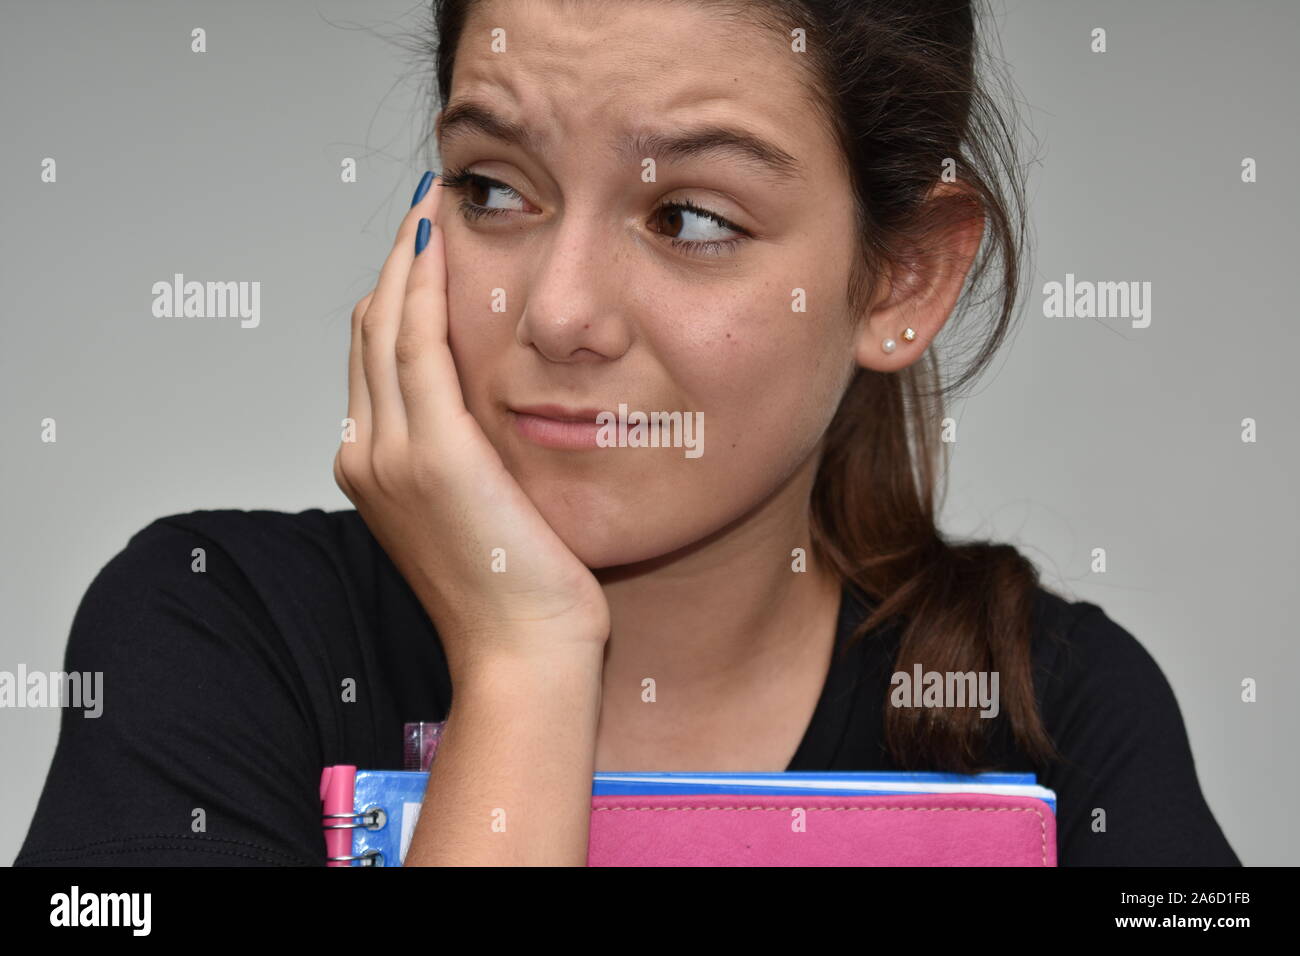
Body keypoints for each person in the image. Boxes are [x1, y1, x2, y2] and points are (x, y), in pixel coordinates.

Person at [14, 0, 1239, 867]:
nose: (557, 311)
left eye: (690, 216)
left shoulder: (1054, 715)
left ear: (901, 277)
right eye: (494, 188)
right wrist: (526, 661)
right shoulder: (214, 631)